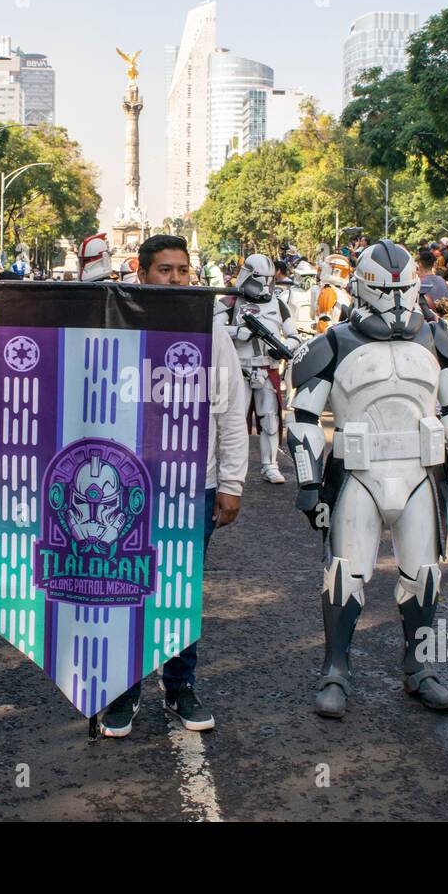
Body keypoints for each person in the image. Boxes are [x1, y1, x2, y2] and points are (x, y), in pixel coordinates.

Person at [288, 240, 448, 717]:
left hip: (420, 472)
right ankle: (335, 668)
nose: (395, 302)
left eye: (403, 290)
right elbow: (304, 418)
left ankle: (418, 668)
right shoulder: (334, 342)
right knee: (345, 575)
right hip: (358, 473)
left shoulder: (436, 338)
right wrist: (309, 481)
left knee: (425, 575)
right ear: (361, 288)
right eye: (385, 290)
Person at [98, 234, 248, 738]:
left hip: (194, 486)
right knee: (125, 589)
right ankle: (121, 691)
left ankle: (180, 686)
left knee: (179, 593)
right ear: (141, 274)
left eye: (183, 270)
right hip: (126, 488)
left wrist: (231, 483)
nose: (177, 279)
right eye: (165, 270)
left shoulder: (211, 329)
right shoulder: (115, 324)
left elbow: (230, 412)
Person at [215, 254, 300, 484]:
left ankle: (270, 465)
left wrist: (281, 349)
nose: (264, 286)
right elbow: (212, 330)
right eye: (259, 280)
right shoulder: (230, 302)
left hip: (267, 368)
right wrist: (236, 333)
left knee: (270, 420)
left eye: (268, 280)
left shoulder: (278, 303)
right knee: (233, 421)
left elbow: (294, 336)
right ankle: (229, 468)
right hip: (238, 370)